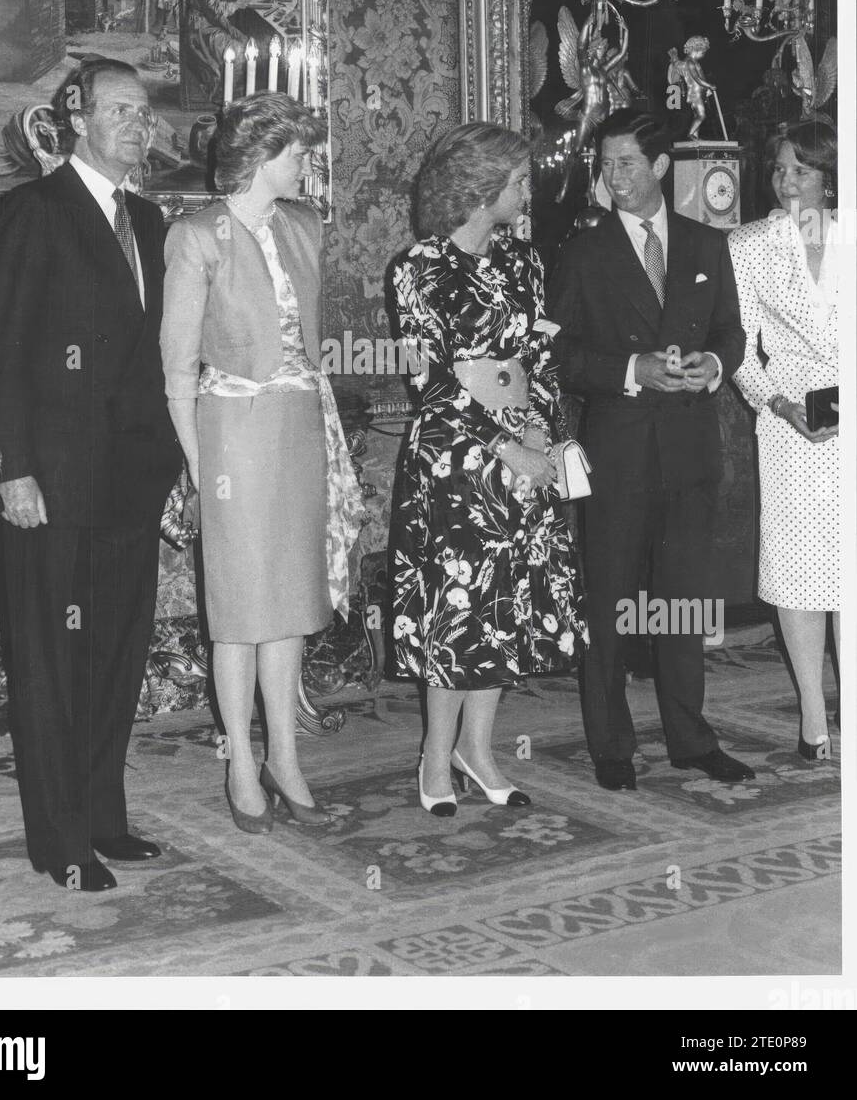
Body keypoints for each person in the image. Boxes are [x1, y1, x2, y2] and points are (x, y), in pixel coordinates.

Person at [0, 58, 182, 891]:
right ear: (79, 120)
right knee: (50, 660)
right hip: (53, 483)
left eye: (145, 114)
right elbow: (2, 353)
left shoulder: (152, 220)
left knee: (113, 654)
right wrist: (15, 470)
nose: (140, 126)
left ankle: (102, 813)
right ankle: (58, 838)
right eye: (122, 112)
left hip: (131, 480)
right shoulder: (30, 211)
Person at [161, 92, 364, 834]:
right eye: (298, 153)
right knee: (240, 612)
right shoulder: (196, 236)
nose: (309, 164)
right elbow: (177, 370)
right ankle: (240, 763)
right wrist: (199, 464)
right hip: (230, 433)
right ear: (259, 159)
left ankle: (286, 758)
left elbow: (310, 350)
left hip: (296, 425)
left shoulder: (306, 226)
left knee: (288, 603)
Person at [548, 110, 752, 791]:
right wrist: (632, 370)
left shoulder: (704, 244)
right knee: (608, 599)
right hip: (621, 452)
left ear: (660, 167)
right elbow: (558, 353)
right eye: (605, 165)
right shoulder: (580, 252)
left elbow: (729, 332)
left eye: (627, 163)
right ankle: (610, 743)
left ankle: (690, 739)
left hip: (690, 451)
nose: (613, 177)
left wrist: (713, 369)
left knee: (682, 602)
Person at [389, 123, 588, 817]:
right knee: (457, 609)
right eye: (516, 182)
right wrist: (506, 449)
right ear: (481, 190)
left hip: (520, 448)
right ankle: (434, 758)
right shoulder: (417, 267)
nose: (526, 192)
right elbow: (430, 383)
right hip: (454, 460)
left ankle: (479, 750)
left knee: (503, 610)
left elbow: (536, 356)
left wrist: (542, 433)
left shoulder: (523, 261)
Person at [727, 121, 840, 760]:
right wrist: (774, 401)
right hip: (792, 426)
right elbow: (740, 347)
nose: (787, 182)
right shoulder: (750, 246)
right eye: (779, 170)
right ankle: (812, 714)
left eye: (801, 170)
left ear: (828, 177)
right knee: (801, 574)